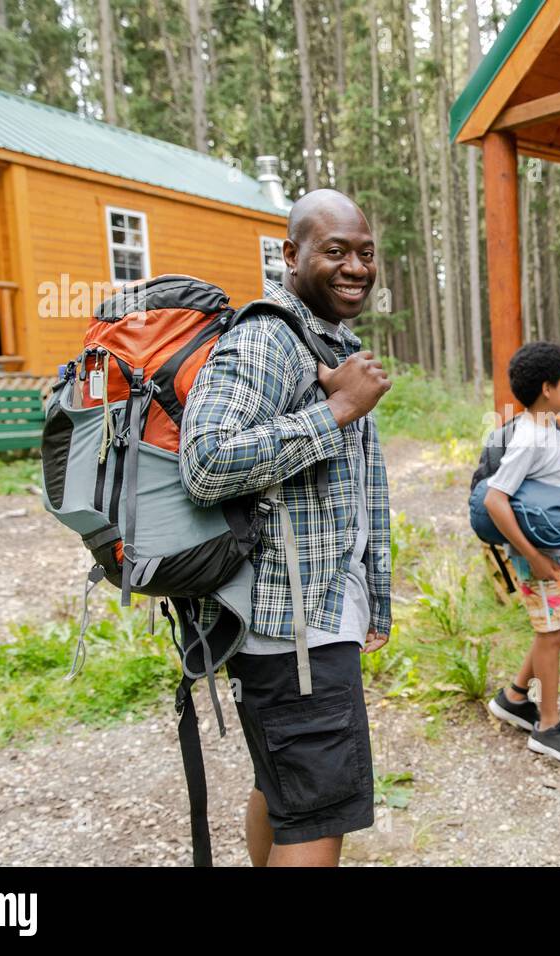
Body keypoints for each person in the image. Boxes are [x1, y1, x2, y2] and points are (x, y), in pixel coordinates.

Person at [180, 188, 392, 867]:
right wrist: (335, 413)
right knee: (317, 817)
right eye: (335, 251)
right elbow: (206, 461)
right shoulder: (266, 337)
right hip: (291, 631)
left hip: (312, 623)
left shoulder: (328, 342)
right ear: (290, 254)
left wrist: (375, 599)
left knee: (283, 787)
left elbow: (358, 497)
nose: (356, 266)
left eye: (365, 252)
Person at [483, 342, 560, 765]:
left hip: (558, 550)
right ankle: (547, 725)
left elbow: (538, 481)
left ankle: (513, 697)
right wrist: (535, 556)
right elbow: (496, 498)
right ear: (548, 388)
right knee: (550, 632)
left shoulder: (548, 428)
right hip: (541, 554)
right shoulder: (527, 435)